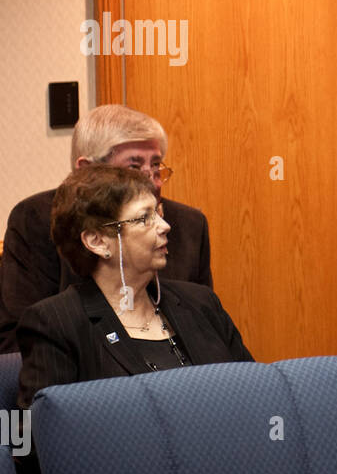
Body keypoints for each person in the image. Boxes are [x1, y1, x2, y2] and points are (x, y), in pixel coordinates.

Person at [16, 164, 252, 414]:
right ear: (97, 241)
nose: (164, 226)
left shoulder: (200, 303)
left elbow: (255, 390)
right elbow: (38, 436)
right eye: (144, 218)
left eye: (158, 213)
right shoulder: (56, 324)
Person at [0, 104, 213, 354]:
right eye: (134, 168)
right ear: (86, 170)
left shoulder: (188, 225)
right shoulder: (37, 220)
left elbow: (206, 331)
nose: (152, 182)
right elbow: (14, 344)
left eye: (156, 165)